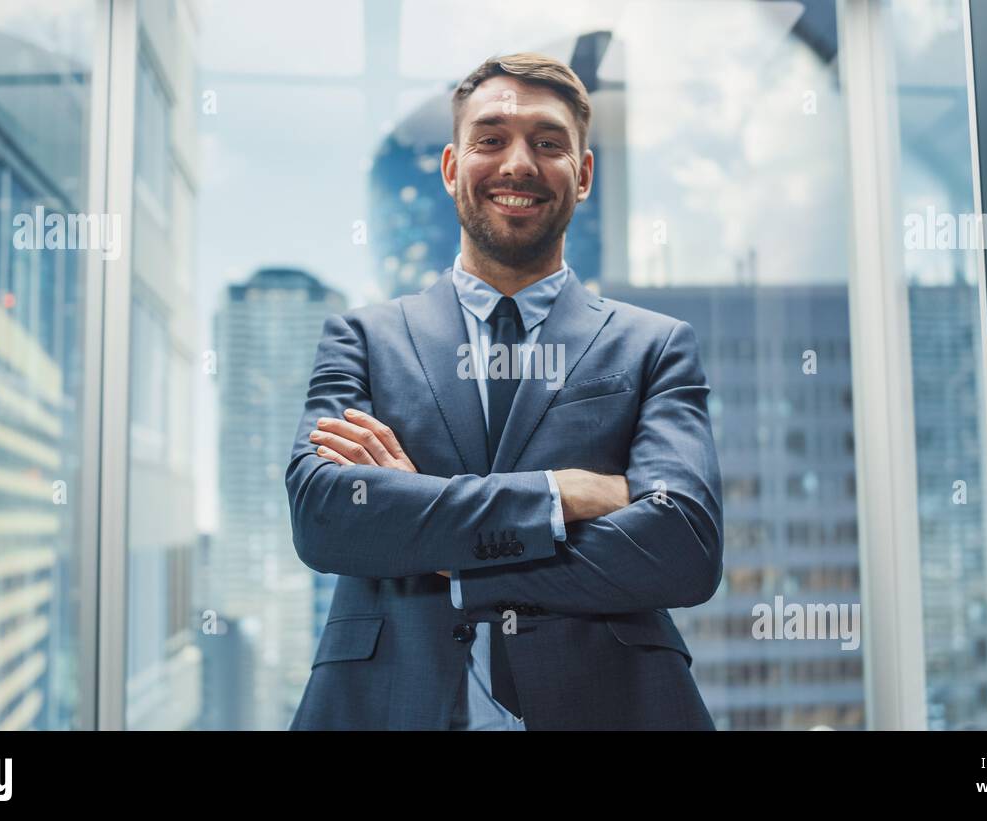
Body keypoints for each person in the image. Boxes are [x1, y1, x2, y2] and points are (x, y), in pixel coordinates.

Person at [286, 52, 723, 730]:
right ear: (453, 167)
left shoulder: (655, 345)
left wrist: (442, 552)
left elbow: (683, 546)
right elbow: (325, 516)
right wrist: (559, 496)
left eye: (548, 143)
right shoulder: (363, 339)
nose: (518, 163)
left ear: (582, 176)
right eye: (491, 139)